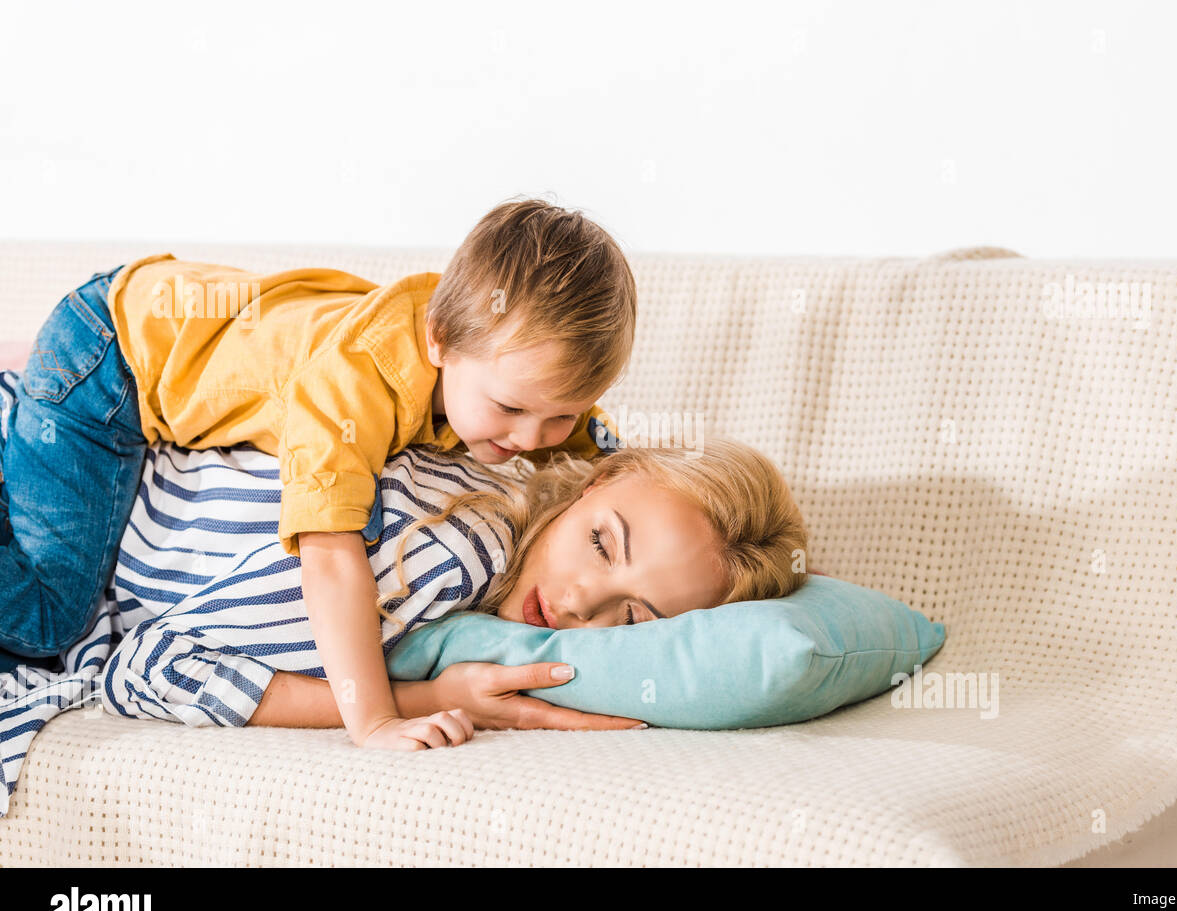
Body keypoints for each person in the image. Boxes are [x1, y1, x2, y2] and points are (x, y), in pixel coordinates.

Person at [0, 197, 637, 753]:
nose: (531, 439)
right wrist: (376, 717)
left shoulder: (496, 356)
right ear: (439, 342)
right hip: (107, 369)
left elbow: (608, 455)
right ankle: (33, 381)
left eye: (561, 415)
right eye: (510, 409)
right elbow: (330, 554)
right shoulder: (350, 393)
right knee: (50, 619)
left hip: (159, 318)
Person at [99, 435, 809, 751]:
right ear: (599, 477)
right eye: (601, 542)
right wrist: (425, 701)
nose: (577, 602)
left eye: (631, 617)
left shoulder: (516, 504)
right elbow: (148, 669)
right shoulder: (450, 549)